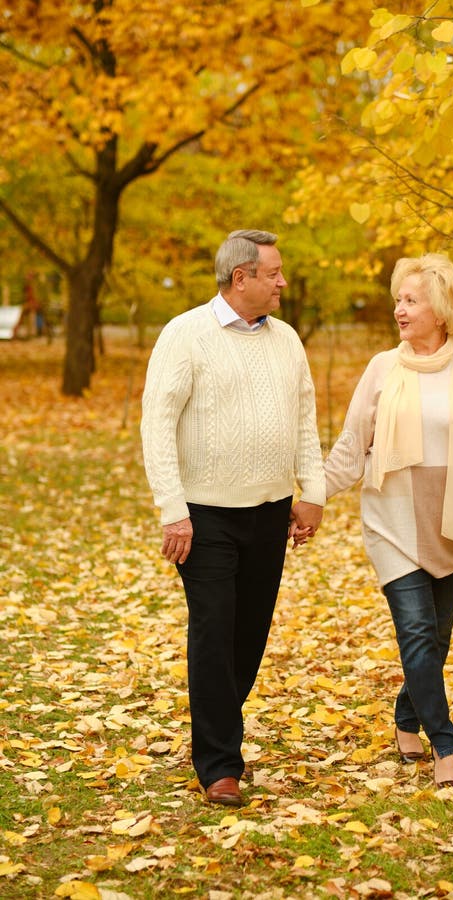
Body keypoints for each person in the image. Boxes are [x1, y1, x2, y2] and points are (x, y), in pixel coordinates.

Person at [141, 230, 325, 807]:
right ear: (240, 278)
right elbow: (157, 424)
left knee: (248, 635)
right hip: (204, 517)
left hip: (270, 512)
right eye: (273, 273)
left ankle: (217, 721)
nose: (282, 282)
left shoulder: (287, 339)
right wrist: (174, 511)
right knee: (214, 630)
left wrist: (313, 491)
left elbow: (305, 420)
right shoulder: (185, 334)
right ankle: (220, 764)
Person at [324, 253, 453, 789]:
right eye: (397, 300)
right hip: (394, 521)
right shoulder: (383, 368)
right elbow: (352, 447)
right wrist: (309, 498)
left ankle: (407, 715)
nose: (399, 310)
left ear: (442, 308)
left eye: (411, 300)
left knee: (436, 637)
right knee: (417, 632)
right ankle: (445, 746)